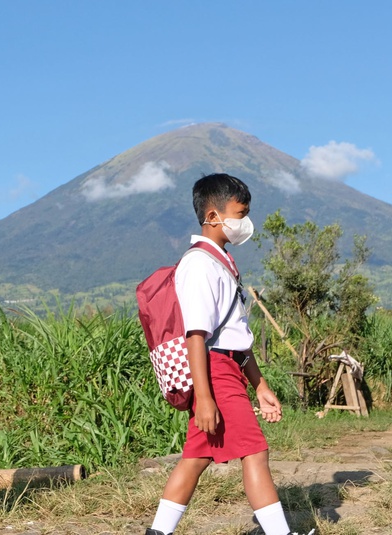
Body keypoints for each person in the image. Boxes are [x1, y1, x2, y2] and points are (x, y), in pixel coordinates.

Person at [146, 174, 304, 535]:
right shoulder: (200, 264)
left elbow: (234, 338)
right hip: (213, 371)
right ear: (213, 216)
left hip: (226, 367)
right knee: (254, 450)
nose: (245, 222)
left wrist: (260, 385)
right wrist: (204, 398)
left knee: (197, 456)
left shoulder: (222, 261)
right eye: (240, 213)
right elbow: (196, 337)